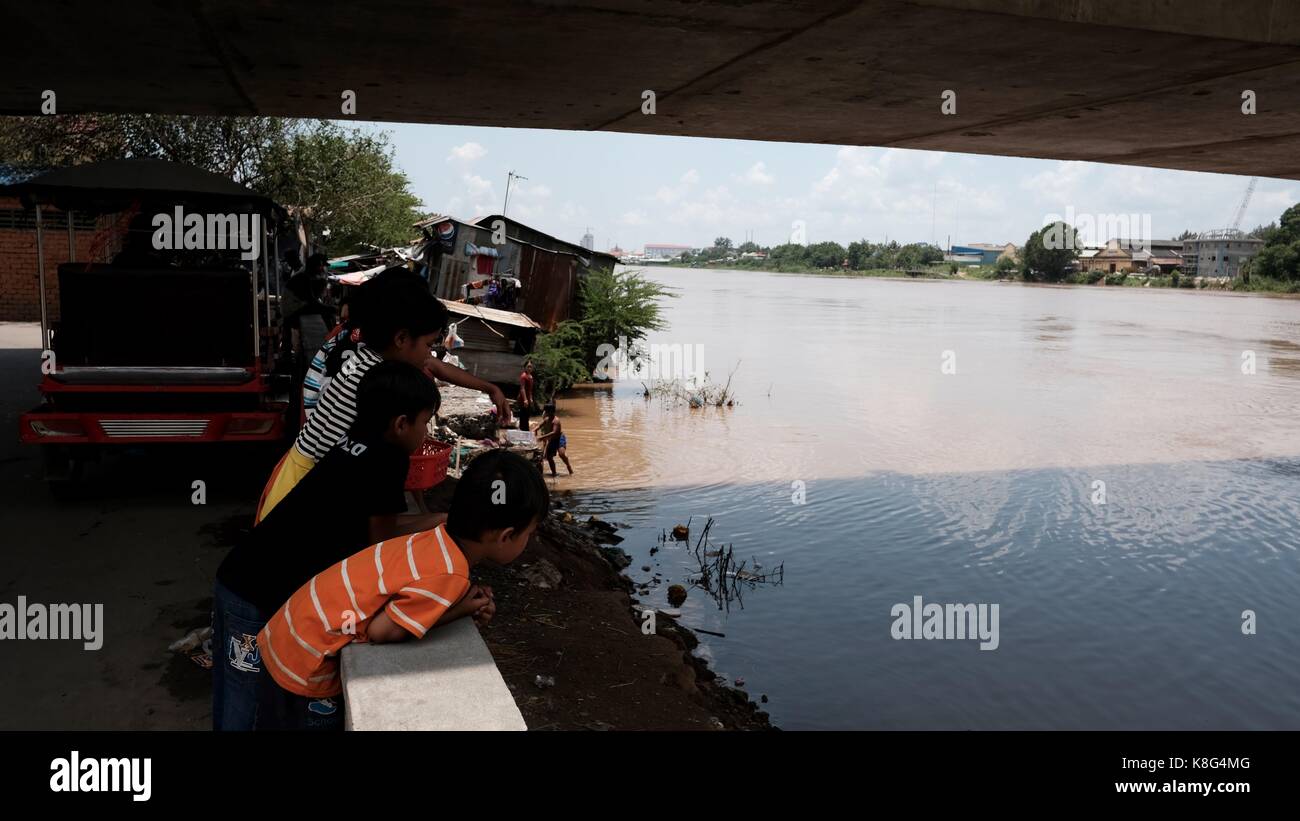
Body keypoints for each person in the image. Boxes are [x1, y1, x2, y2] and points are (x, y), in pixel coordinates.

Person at [212, 361, 445, 731]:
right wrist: (441, 523)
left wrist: (438, 520)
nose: (426, 431)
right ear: (401, 423)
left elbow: (368, 521)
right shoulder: (388, 458)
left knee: (233, 696)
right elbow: (380, 541)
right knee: (249, 705)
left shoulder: (354, 439)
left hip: (240, 575)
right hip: (254, 594)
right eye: (424, 421)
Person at [254, 450, 549, 730]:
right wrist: (460, 609)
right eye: (529, 533)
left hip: (287, 634)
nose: (528, 541)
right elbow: (383, 631)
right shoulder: (450, 574)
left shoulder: (433, 538)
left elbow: (412, 588)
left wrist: (454, 602)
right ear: (506, 535)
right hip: (305, 666)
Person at [258, 269, 513, 522]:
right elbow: (331, 465)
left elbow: (435, 366)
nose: (429, 355)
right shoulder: (372, 381)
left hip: (299, 475)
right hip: (300, 494)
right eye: (428, 345)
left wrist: (491, 388)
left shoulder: (373, 355)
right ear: (401, 337)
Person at [533, 403, 573, 476]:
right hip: (552, 439)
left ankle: (568, 466)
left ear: (551, 411)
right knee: (549, 457)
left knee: (561, 454)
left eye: (546, 411)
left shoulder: (556, 421)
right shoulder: (547, 419)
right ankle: (554, 473)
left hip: (559, 438)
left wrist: (542, 437)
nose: (545, 412)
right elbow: (540, 425)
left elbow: (554, 432)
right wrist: (535, 429)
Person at [517, 360, 535, 432]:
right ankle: (522, 431)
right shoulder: (523, 376)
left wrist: (530, 398)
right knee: (523, 416)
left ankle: (526, 431)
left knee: (527, 416)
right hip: (522, 399)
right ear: (525, 368)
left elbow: (530, 390)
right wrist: (525, 399)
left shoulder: (530, 377)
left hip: (527, 398)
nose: (529, 368)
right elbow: (522, 388)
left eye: (531, 367)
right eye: (528, 367)